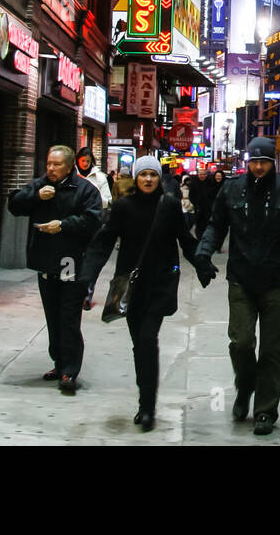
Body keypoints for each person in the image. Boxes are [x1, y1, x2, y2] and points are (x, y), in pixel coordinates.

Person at [195, 136, 280, 436]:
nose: (258, 167)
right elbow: (216, 225)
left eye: (264, 162)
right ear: (246, 163)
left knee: (272, 351)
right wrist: (203, 253)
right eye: (254, 162)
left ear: (272, 164)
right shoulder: (232, 188)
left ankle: (265, 410)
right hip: (240, 279)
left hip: (276, 282)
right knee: (242, 342)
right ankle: (245, 385)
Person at [81, 156, 199, 431]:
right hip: (131, 287)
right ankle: (144, 393)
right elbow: (103, 242)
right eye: (143, 174)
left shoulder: (168, 205)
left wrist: (202, 263)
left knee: (148, 339)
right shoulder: (123, 207)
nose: (148, 179)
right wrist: (87, 278)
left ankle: (147, 408)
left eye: (153, 175)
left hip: (161, 284)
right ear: (136, 177)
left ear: (159, 178)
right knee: (140, 345)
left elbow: (184, 237)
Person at [8, 145, 103, 394]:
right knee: (52, 316)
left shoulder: (85, 190)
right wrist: (37, 197)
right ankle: (59, 363)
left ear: (70, 166)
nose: (50, 168)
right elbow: (15, 205)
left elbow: (93, 221)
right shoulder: (40, 186)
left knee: (68, 316)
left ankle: (69, 371)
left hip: (71, 262)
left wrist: (62, 225)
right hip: (46, 261)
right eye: (49, 163)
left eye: (56, 164)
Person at [76, 147, 113, 312]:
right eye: (82, 161)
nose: (84, 164)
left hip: (93, 225)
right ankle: (70, 293)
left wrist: (92, 195)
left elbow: (107, 200)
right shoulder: (71, 175)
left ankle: (86, 295)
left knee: (90, 261)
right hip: (73, 224)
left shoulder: (100, 177)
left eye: (87, 161)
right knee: (70, 260)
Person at [194, 169, 224, 240]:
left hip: (209, 209)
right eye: (200, 174)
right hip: (199, 209)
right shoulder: (195, 183)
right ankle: (200, 239)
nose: (202, 176)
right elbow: (191, 195)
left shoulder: (210, 183)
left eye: (203, 174)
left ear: (206, 175)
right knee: (199, 225)